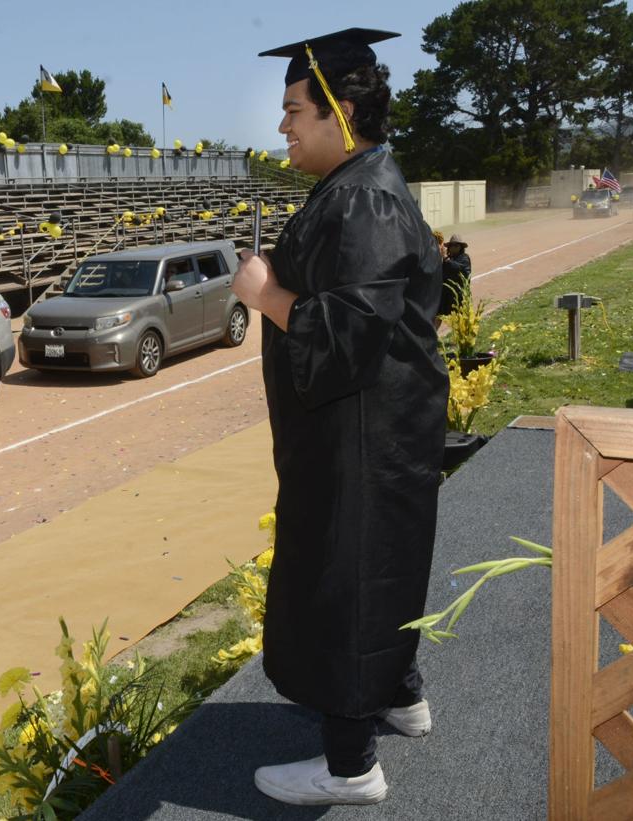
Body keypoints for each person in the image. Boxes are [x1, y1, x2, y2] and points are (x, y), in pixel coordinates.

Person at [232, 28, 447, 806]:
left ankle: (350, 765)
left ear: (342, 114)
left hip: (361, 434)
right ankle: (403, 695)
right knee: (383, 564)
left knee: (347, 578)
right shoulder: (367, 183)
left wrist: (262, 293)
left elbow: (346, 332)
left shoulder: (360, 197)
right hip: (380, 429)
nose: (283, 126)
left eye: (295, 110)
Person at [438, 233, 472, 319]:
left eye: (457, 245)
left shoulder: (464, 258)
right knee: (438, 317)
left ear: (461, 247)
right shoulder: (448, 258)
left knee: (459, 320)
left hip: (459, 295)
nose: (454, 247)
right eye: (452, 245)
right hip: (446, 294)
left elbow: (456, 268)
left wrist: (445, 258)